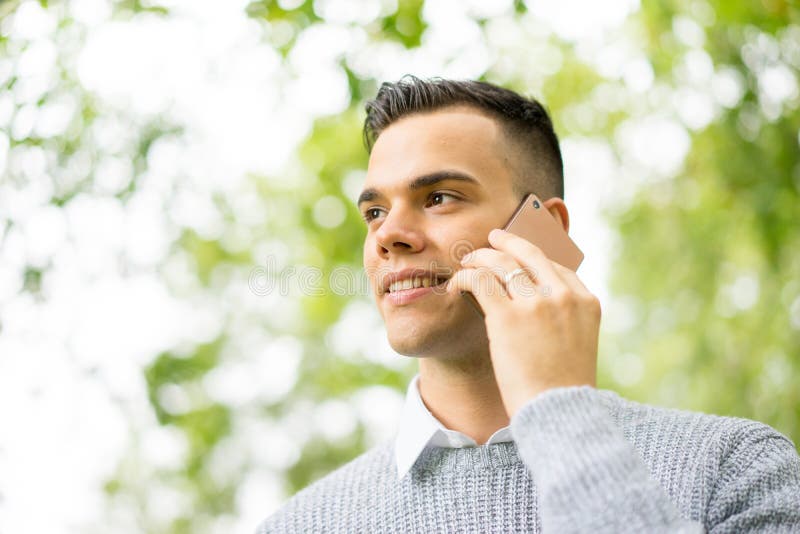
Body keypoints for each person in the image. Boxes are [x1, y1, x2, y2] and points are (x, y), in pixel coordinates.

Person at [256, 76, 800, 533]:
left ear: (542, 229)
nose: (387, 235)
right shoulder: (299, 525)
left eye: (438, 198)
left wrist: (560, 410)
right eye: (374, 212)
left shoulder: (735, 470)